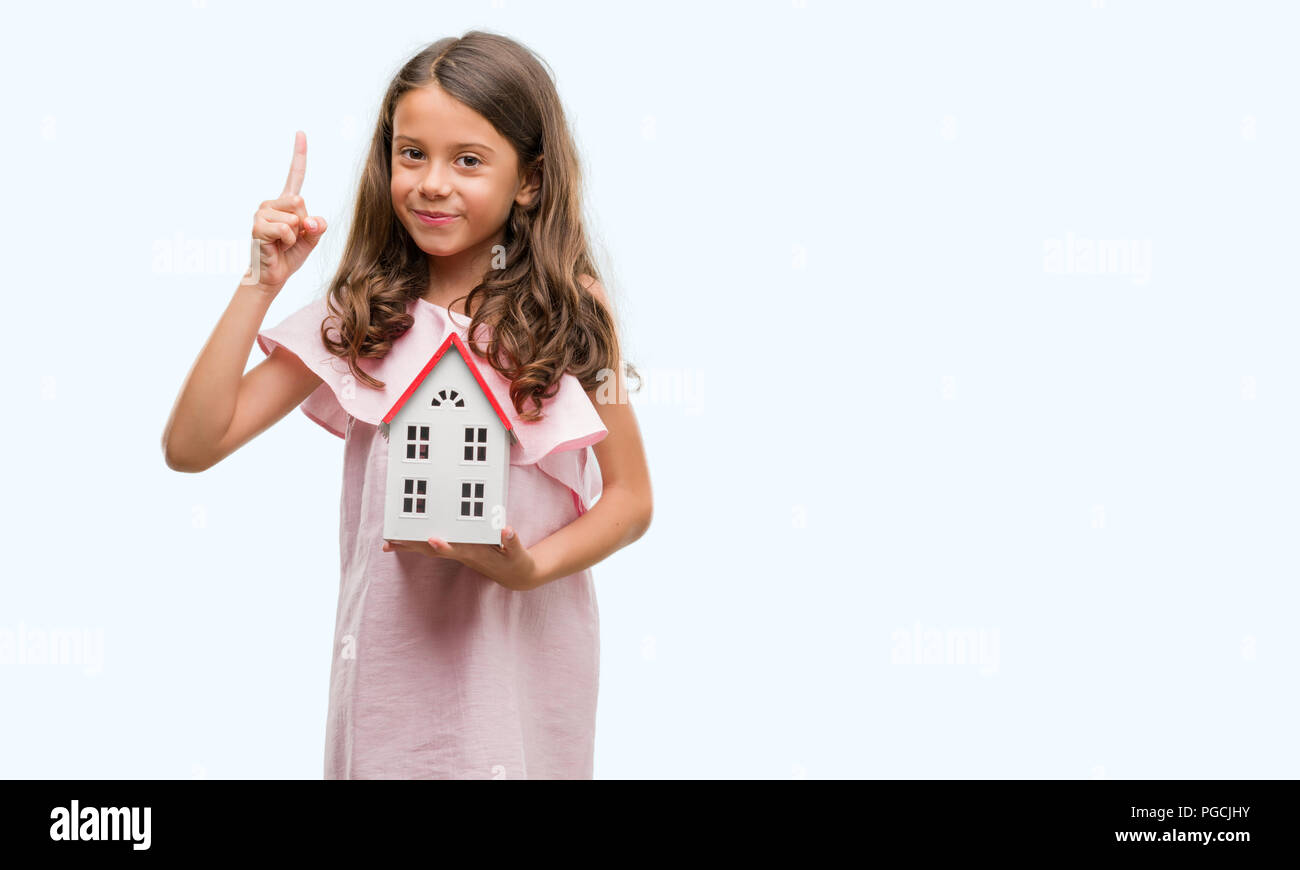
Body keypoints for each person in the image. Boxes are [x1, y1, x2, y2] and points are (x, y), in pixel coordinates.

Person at [161, 31, 653, 779]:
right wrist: (261, 282)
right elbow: (193, 445)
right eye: (412, 153)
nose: (431, 183)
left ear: (529, 180)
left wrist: (529, 569)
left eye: (469, 160)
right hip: (392, 692)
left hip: (522, 686)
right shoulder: (366, 315)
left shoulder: (572, 313)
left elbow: (631, 498)